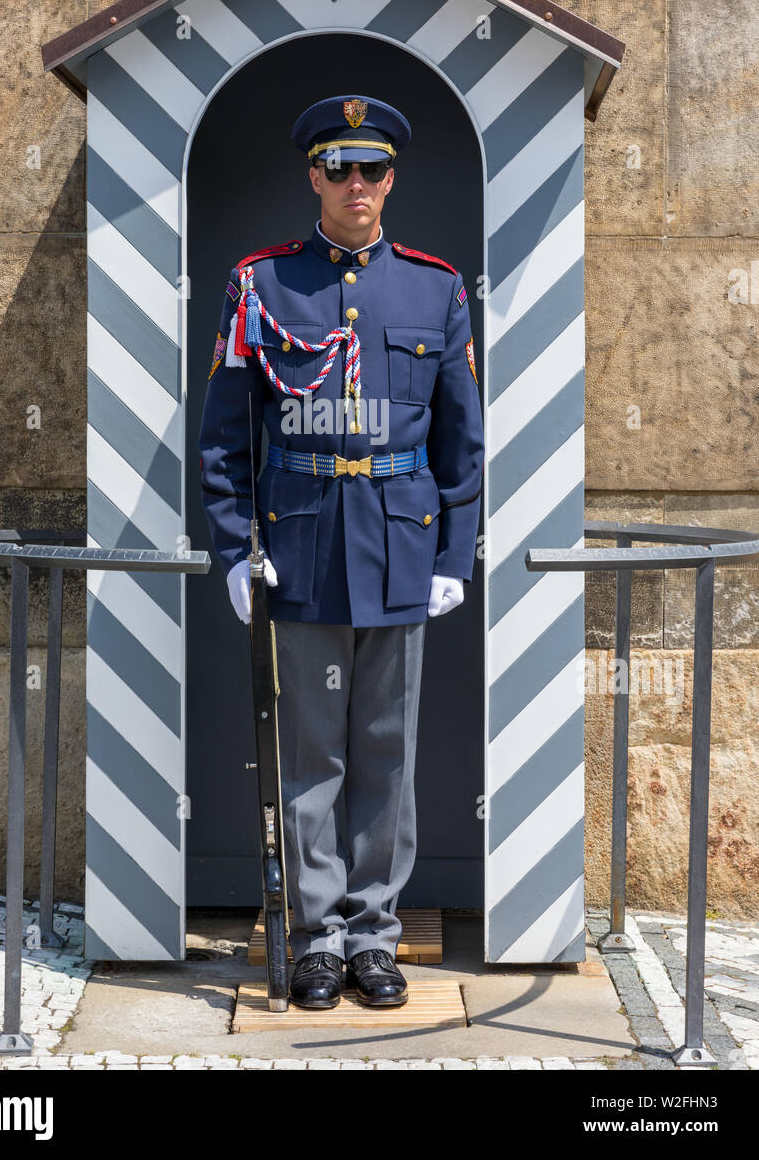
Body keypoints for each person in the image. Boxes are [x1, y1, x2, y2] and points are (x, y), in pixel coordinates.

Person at [198, 95, 484, 1009]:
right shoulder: (261, 285)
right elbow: (225, 436)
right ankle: (315, 936)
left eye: (371, 169)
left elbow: (460, 439)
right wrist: (233, 547)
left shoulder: (436, 288)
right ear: (312, 176)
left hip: (401, 549)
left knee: (386, 755)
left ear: (391, 177)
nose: (355, 184)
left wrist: (455, 552)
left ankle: (374, 935)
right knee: (311, 754)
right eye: (337, 168)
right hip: (304, 548)